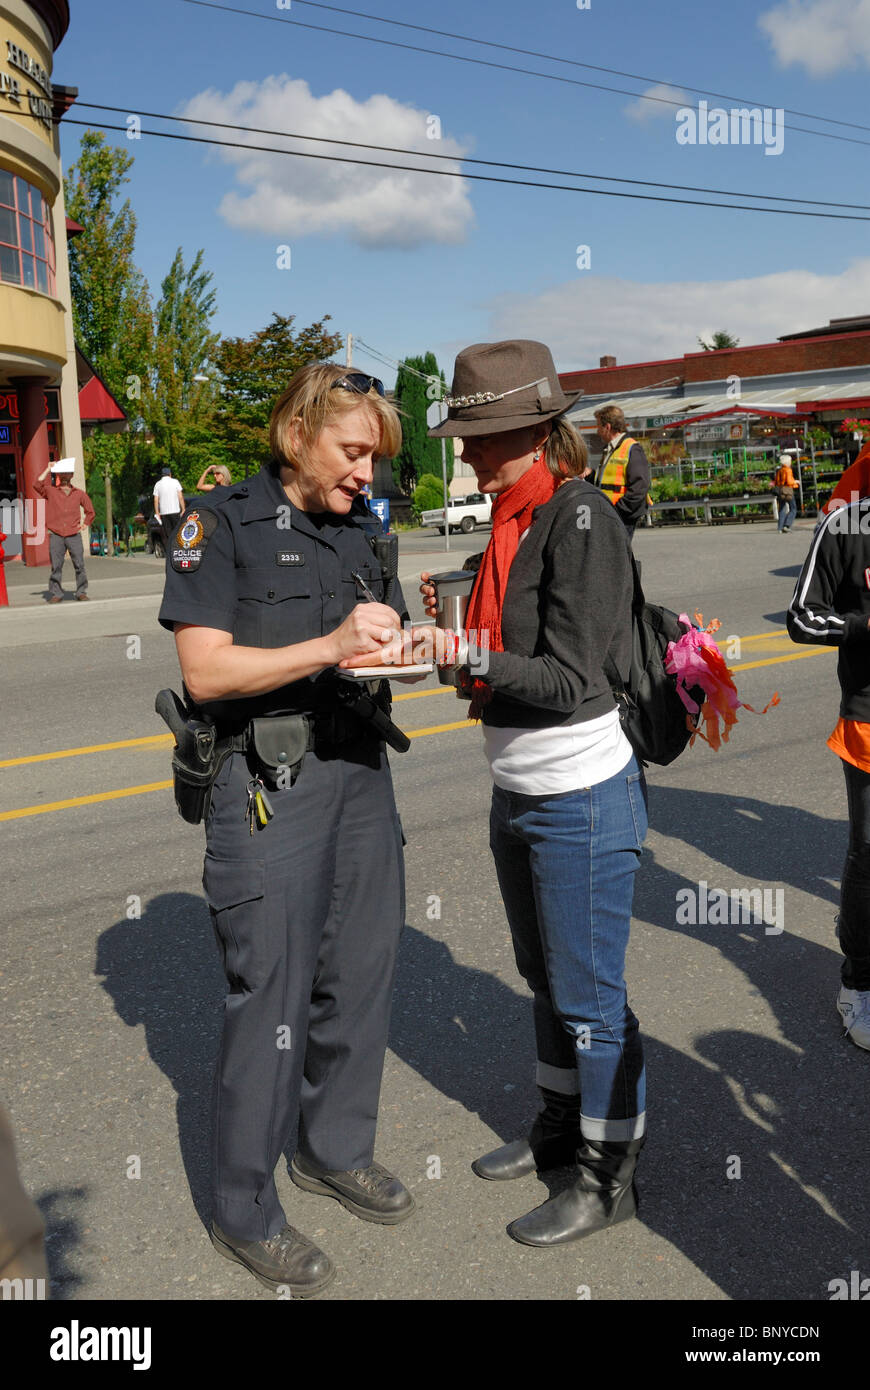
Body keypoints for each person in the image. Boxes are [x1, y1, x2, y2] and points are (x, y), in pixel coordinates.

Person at [343, 340, 647, 1247]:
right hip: (516, 786)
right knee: (542, 976)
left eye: (475, 437)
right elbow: (495, 668)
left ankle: (608, 1175)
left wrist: (460, 650)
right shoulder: (513, 517)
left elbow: (568, 678)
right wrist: (426, 652)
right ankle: (559, 1133)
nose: (464, 454)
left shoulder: (578, 519)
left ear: (523, 432)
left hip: (579, 791)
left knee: (592, 997)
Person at [158, 364, 420, 1297]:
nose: (367, 473)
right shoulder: (216, 524)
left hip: (360, 773)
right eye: (354, 452)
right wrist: (328, 647)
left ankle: (333, 1149)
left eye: (376, 458)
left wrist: (409, 648)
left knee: (360, 974)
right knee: (269, 996)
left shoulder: (369, 529)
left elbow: (377, 637)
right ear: (299, 430)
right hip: (270, 783)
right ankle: (244, 1208)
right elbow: (205, 675)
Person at [788, 501, 870, 1051]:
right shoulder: (846, 526)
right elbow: (802, 616)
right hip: (869, 717)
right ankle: (858, 983)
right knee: (868, 851)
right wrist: (864, 626)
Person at [33, 458, 95, 603]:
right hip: (56, 534)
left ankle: (81, 592)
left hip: (74, 534)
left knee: (79, 564)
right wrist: (48, 469)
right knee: (56, 566)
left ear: (72, 475)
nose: (66, 475)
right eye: (63, 473)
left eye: (68, 472)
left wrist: (86, 523)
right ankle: (56, 593)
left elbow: (90, 511)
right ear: (59, 475)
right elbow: (36, 484)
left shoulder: (79, 493)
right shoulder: (50, 490)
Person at [592, 405, 651, 538]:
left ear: (607, 427)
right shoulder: (611, 448)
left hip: (621, 516)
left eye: (598, 426)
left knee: (617, 556)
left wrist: (618, 510)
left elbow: (640, 487)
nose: (597, 431)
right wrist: (590, 474)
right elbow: (608, 481)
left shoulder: (631, 448)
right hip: (611, 514)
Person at [152, 467, 185, 547]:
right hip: (175, 511)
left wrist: (157, 513)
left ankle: (171, 550)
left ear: (162, 475)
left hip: (164, 513)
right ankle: (179, 549)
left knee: (168, 534)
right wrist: (183, 509)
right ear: (170, 474)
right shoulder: (175, 482)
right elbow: (180, 496)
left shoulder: (158, 484)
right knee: (178, 533)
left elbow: (156, 500)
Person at [772, 452, 799, 532]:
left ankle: (780, 528)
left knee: (781, 509)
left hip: (780, 491)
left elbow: (776, 482)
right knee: (793, 509)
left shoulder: (779, 470)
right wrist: (796, 482)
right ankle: (787, 525)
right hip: (788, 491)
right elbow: (789, 481)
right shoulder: (788, 470)